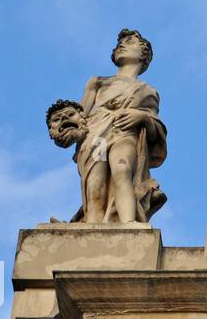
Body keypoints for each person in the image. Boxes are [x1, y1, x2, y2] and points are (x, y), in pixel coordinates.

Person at [47, 29, 167, 223]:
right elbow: (82, 115)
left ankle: (129, 224)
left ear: (144, 54)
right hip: (98, 137)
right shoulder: (98, 82)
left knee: (122, 171)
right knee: (95, 183)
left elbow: (156, 128)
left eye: (129, 41)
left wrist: (141, 117)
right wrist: (67, 129)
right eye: (119, 42)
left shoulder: (147, 91)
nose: (121, 44)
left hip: (124, 132)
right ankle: (92, 225)